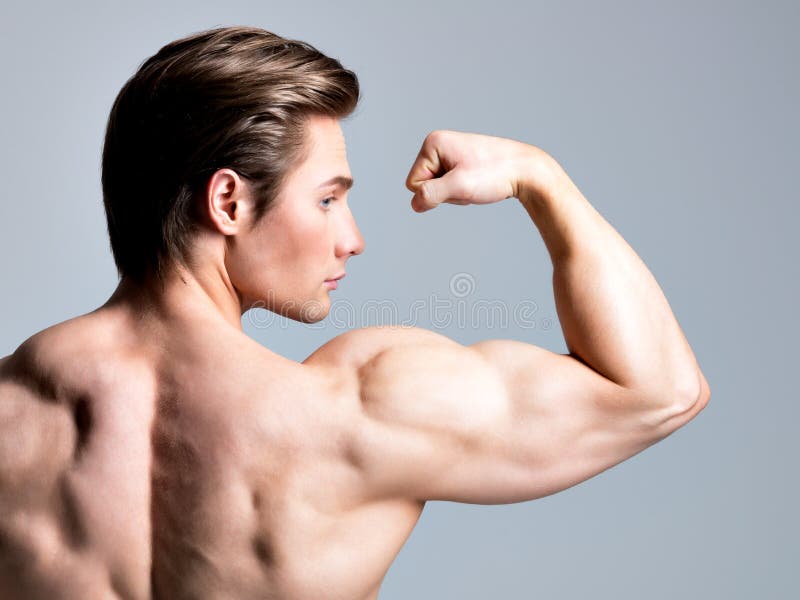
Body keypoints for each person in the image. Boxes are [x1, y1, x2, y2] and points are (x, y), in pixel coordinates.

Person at [0, 25, 710, 600]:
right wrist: (539, 176)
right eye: (328, 199)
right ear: (228, 202)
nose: (353, 237)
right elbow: (657, 391)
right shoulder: (359, 410)